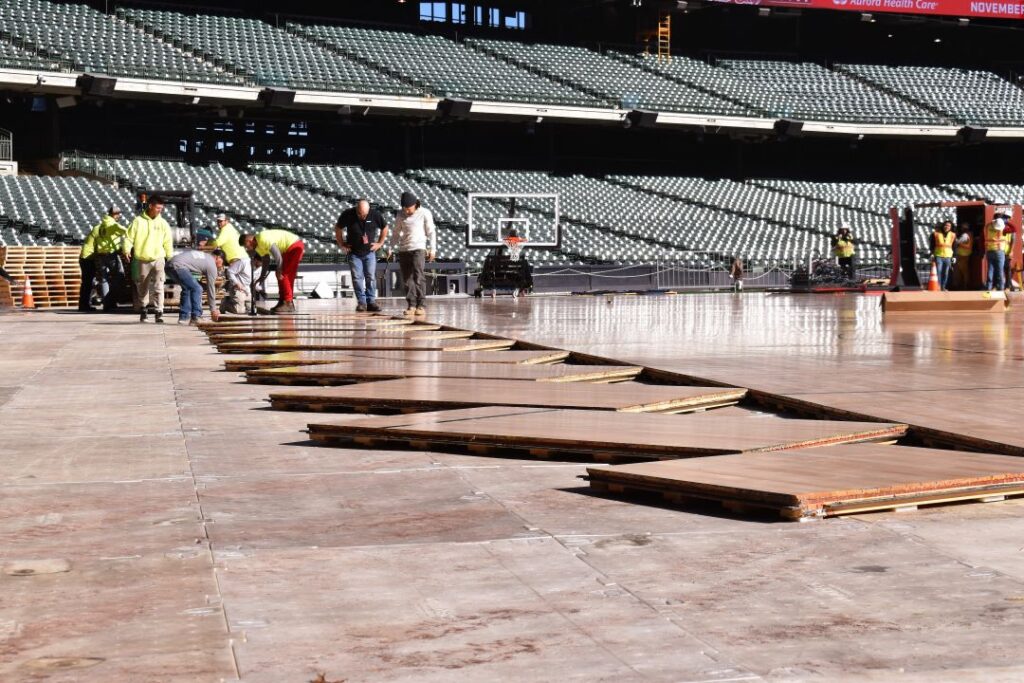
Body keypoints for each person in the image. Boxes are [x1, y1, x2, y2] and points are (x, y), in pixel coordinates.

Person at [123, 196, 173, 323]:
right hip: (142, 259)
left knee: (159, 285)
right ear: (150, 206)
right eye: (158, 208)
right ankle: (144, 309)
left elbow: (168, 242)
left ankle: (159, 311)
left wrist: (170, 257)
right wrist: (126, 250)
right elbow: (129, 237)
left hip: (159, 259)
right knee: (143, 287)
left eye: (161, 208)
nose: (160, 210)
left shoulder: (163, 223)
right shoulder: (138, 221)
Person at [335, 199, 388, 312]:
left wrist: (380, 243)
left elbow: (385, 227)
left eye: (364, 214)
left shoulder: (375, 215)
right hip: (354, 253)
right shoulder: (348, 214)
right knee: (357, 278)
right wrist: (341, 244)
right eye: (359, 213)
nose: (362, 216)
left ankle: (371, 301)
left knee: (370, 277)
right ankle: (362, 302)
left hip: (369, 252)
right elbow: (338, 227)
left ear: (368, 211)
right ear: (356, 209)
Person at [391, 191, 436, 317]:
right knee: (407, 279)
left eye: (408, 208)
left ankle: (421, 305)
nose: (406, 211)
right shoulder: (400, 214)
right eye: (404, 208)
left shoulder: (425, 213)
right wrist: (390, 247)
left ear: (415, 204)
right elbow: (395, 233)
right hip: (404, 249)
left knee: (418, 275)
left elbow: (431, 232)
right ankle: (411, 304)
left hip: (419, 248)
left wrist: (433, 249)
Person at [241, 228, 304, 314]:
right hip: (288, 249)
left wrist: (279, 268)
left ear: (249, 240)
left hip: (294, 246)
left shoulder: (262, 238)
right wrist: (262, 276)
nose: (247, 248)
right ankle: (283, 301)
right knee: (282, 275)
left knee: (283, 274)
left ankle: (288, 302)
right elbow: (266, 260)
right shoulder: (258, 246)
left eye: (246, 245)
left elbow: (277, 254)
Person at [83, 206, 128, 311]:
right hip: (110, 254)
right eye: (118, 214)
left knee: (104, 279)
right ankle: (110, 300)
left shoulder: (101, 225)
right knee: (120, 276)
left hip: (100, 254)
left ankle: (106, 304)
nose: (119, 216)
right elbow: (127, 231)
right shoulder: (112, 224)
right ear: (114, 214)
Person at [167, 248, 224, 324]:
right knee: (197, 288)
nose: (222, 265)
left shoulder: (204, 256)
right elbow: (211, 288)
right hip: (179, 266)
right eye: (223, 261)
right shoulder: (212, 265)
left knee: (187, 288)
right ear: (218, 257)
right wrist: (213, 309)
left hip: (168, 266)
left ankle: (183, 318)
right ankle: (196, 317)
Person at [210, 213, 251, 314]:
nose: (219, 223)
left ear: (227, 221)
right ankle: (237, 303)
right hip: (239, 258)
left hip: (237, 259)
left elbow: (217, 243)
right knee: (238, 284)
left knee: (237, 283)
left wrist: (206, 244)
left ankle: (231, 303)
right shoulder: (230, 229)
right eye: (218, 221)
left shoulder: (226, 229)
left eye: (221, 221)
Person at [931, 220, 955, 292]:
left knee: (946, 273)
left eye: (948, 226)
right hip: (939, 255)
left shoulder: (953, 235)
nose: (947, 227)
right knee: (939, 271)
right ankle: (938, 286)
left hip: (948, 256)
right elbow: (932, 244)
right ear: (943, 226)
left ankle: (943, 287)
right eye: (946, 225)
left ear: (951, 227)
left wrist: (955, 256)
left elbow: (954, 246)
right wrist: (932, 253)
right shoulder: (936, 234)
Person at [984, 217, 1007, 291]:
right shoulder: (1002, 229)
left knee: (990, 270)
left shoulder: (987, 227)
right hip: (999, 251)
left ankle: (989, 287)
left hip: (989, 250)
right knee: (1000, 270)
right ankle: (1001, 288)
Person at [952, 222, 973, 290]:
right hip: (966, 254)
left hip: (962, 254)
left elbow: (957, 242)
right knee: (965, 271)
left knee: (961, 271)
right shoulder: (970, 234)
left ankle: (963, 285)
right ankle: (965, 285)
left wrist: (954, 237)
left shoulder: (965, 235)